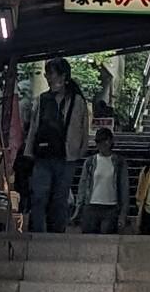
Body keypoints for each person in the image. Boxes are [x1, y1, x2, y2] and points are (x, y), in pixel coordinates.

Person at [24, 57, 88, 233]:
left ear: (63, 75)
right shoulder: (42, 100)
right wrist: (28, 152)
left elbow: (83, 129)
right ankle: (37, 232)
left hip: (67, 156)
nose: (48, 77)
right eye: (47, 74)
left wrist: (79, 151)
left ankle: (56, 234)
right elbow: (34, 128)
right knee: (39, 195)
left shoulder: (77, 101)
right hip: (43, 155)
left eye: (51, 73)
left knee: (60, 199)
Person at [75, 126, 125, 234]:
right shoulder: (90, 162)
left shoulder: (119, 162)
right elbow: (82, 185)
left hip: (111, 207)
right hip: (91, 206)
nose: (103, 144)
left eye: (106, 141)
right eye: (99, 141)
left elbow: (124, 187)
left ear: (111, 141)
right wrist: (79, 208)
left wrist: (123, 213)